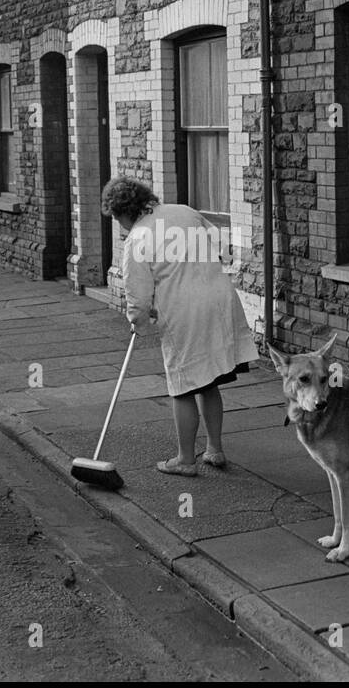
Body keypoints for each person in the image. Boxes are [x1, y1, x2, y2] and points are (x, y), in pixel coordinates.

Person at [102, 176, 259, 476]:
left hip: (185, 312)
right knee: (209, 379)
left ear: (124, 211)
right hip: (220, 299)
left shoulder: (137, 239)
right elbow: (223, 247)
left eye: (116, 217)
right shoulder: (186, 212)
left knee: (184, 386)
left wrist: (138, 321)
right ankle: (214, 449)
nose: (118, 224)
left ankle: (185, 460)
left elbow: (138, 296)